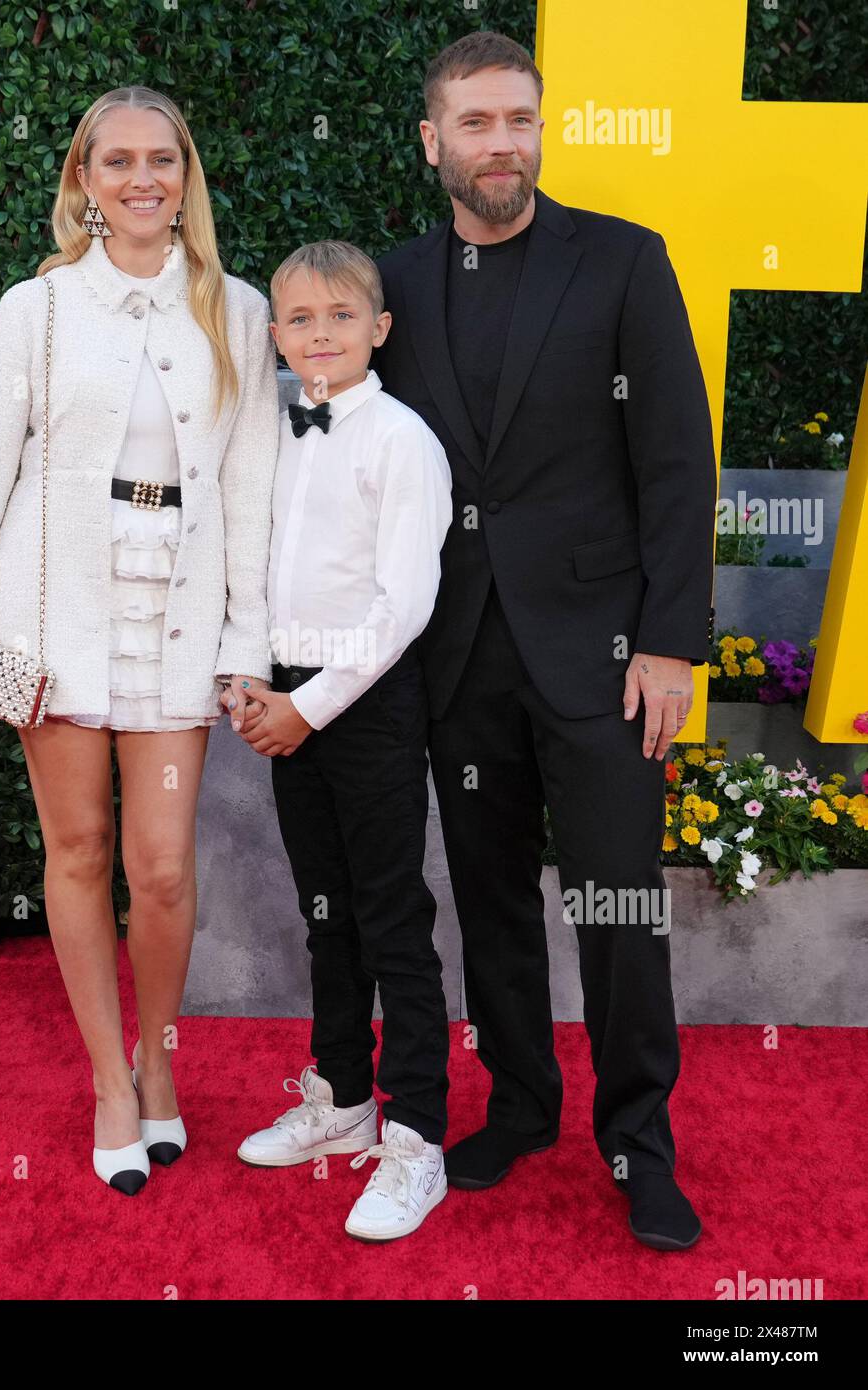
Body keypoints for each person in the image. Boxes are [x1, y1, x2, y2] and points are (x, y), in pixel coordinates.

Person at [370, 32, 716, 1250]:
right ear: (433, 142)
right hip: (457, 654)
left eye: (517, 119)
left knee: (620, 906)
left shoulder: (621, 261)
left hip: (605, 655)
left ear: (538, 127)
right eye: (474, 123)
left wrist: (670, 641)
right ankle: (519, 1104)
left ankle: (639, 1139)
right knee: (490, 899)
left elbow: (674, 458)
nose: (500, 142)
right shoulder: (392, 285)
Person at [0, 86, 278, 1195]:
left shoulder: (241, 310)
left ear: (185, 178)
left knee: (161, 867)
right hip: (55, 620)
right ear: (81, 179)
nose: (139, 179)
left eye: (160, 160)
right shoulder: (34, 312)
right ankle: (108, 1084)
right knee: (74, 854)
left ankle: (158, 1060)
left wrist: (249, 644)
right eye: (114, 160)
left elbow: (253, 485)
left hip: (177, 616)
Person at [228, 241, 453, 1242]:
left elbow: (403, 603)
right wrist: (244, 672)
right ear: (274, 334)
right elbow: (247, 554)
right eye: (298, 319)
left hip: (359, 702)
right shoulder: (271, 423)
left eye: (339, 316)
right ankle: (341, 1099)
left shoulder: (401, 439)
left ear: (379, 328)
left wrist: (308, 705)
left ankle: (416, 1139)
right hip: (280, 696)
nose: (318, 334)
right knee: (325, 912)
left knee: (388, 913)